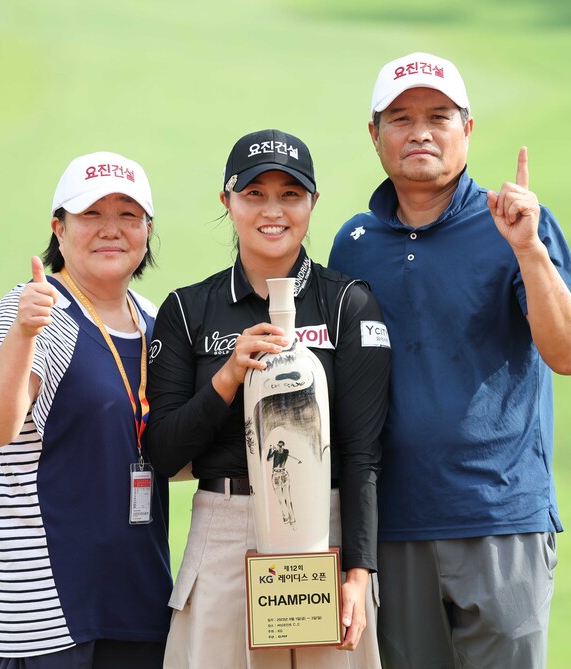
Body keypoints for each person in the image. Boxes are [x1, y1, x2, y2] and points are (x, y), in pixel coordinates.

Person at [328, 53, 571, 669]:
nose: (420, 131)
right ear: (374, 135)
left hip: (499, 516)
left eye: (438, 116)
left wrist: (527, 250)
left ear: (467, 130)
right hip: (393, 526)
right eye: (400, 118)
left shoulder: (517, 223)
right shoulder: (353, 243)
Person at [147, 129, 390, 669]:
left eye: (290, 194)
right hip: (225, 528)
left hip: (323, 532)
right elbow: (162, 453)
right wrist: (230, 375)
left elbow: (362, 454)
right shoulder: (187, 310)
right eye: (254, 194)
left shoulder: (349, 303)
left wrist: (357, 572)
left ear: (312, 203)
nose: (272, 210)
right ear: (227, 201)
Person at [0, 151, 172, 668]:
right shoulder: (35, 308)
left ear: (147, 230)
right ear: (59, 229)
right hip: (44, 617)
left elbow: (172, 450)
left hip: (140, 601)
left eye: (127, 215)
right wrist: (23, 334)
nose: (111, 229)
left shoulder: (154, 320)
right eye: (91, 215)